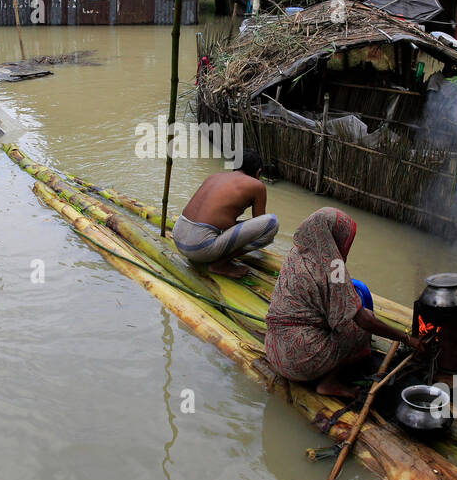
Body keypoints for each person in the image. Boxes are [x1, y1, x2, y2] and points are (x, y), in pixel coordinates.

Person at [264, 207, 420, 398]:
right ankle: (329, 383)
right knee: (364, 321)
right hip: (300, 362)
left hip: (274, 349)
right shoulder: (334, 269)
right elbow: (364, 321)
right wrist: (407, 338)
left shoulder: (296, 253)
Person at [172, 149, 278, 278]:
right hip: (199, 247)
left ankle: (212, 255)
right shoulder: (257, 185)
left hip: (178, 236)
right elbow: (261, 222)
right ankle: (220, 263)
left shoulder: (215, 176)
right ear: (258, 172)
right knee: (272, 223)